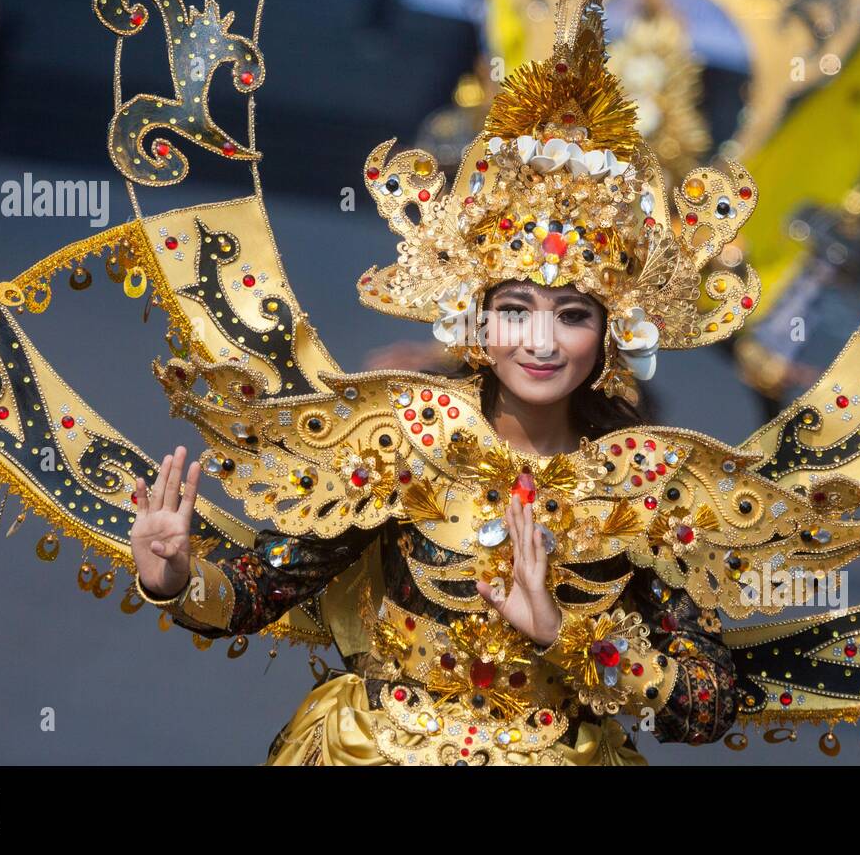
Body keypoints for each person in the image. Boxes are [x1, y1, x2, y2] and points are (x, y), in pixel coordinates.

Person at [129, 277, 739, 765]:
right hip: (372, 749)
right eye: (516, 310)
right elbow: (263, 585)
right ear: (475, 321)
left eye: (574, 315)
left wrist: (571, 640)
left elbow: (706, 706)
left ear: (611, 334)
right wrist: (177, 580)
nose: (542, 342)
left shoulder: (643, 491)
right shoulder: (406, 445)